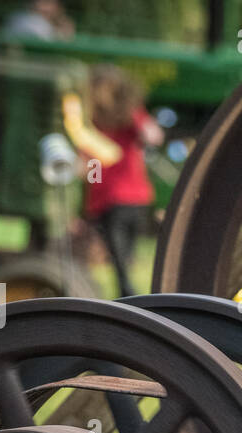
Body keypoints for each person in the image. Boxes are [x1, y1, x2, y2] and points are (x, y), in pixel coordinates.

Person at [83, 64, 163, 298]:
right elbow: (88, 162)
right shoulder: (91, 121)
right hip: (108, 198)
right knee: (117, 257)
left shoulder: (130, 115)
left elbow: (153, 136)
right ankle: (127, 296)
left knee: (123, 257)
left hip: (130, 196)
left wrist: (137, 120)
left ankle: (127, 297)